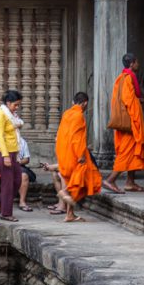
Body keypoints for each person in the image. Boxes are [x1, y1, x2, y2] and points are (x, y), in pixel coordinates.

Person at [103, 53, 144, 193]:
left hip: (130, 121)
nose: (138, 64)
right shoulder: (126, 78)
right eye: (137, 62)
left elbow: (131, 98)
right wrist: (135, 122)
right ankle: (110, 180)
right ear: (132, 64)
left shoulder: (125, 78)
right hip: (130, 123)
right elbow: (128, 101)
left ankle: (130, 182)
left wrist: (142, 101)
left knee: (133, 152)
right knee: (126, 153)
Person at [55, 92, 102, 222]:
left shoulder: (66, 113)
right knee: (82, 179)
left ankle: (70, 214)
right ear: (85, 103)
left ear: (73, 102)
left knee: (73, 179)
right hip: (75, 154)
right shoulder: (78, 116)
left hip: (64, 152)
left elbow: (60, 135)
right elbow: (77, 138)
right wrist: (80, 155)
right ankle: (65, 192)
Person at [0, 89, 24, 222]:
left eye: (18, 105)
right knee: (8, 183)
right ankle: (6, 213)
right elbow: (0, 136)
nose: (17, 107)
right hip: (3, 152)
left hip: (13, 152)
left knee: (17, 180)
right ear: (8, 103)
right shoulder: (0, 114)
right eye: (15, 105)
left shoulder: (11, 115)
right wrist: (5, 156)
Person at [0, 136, 37, 212]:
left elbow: (26, 159)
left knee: (24, 175)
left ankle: (22, 202)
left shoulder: (22, 141)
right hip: (0, 165)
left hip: (17, 165)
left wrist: (16, 162)